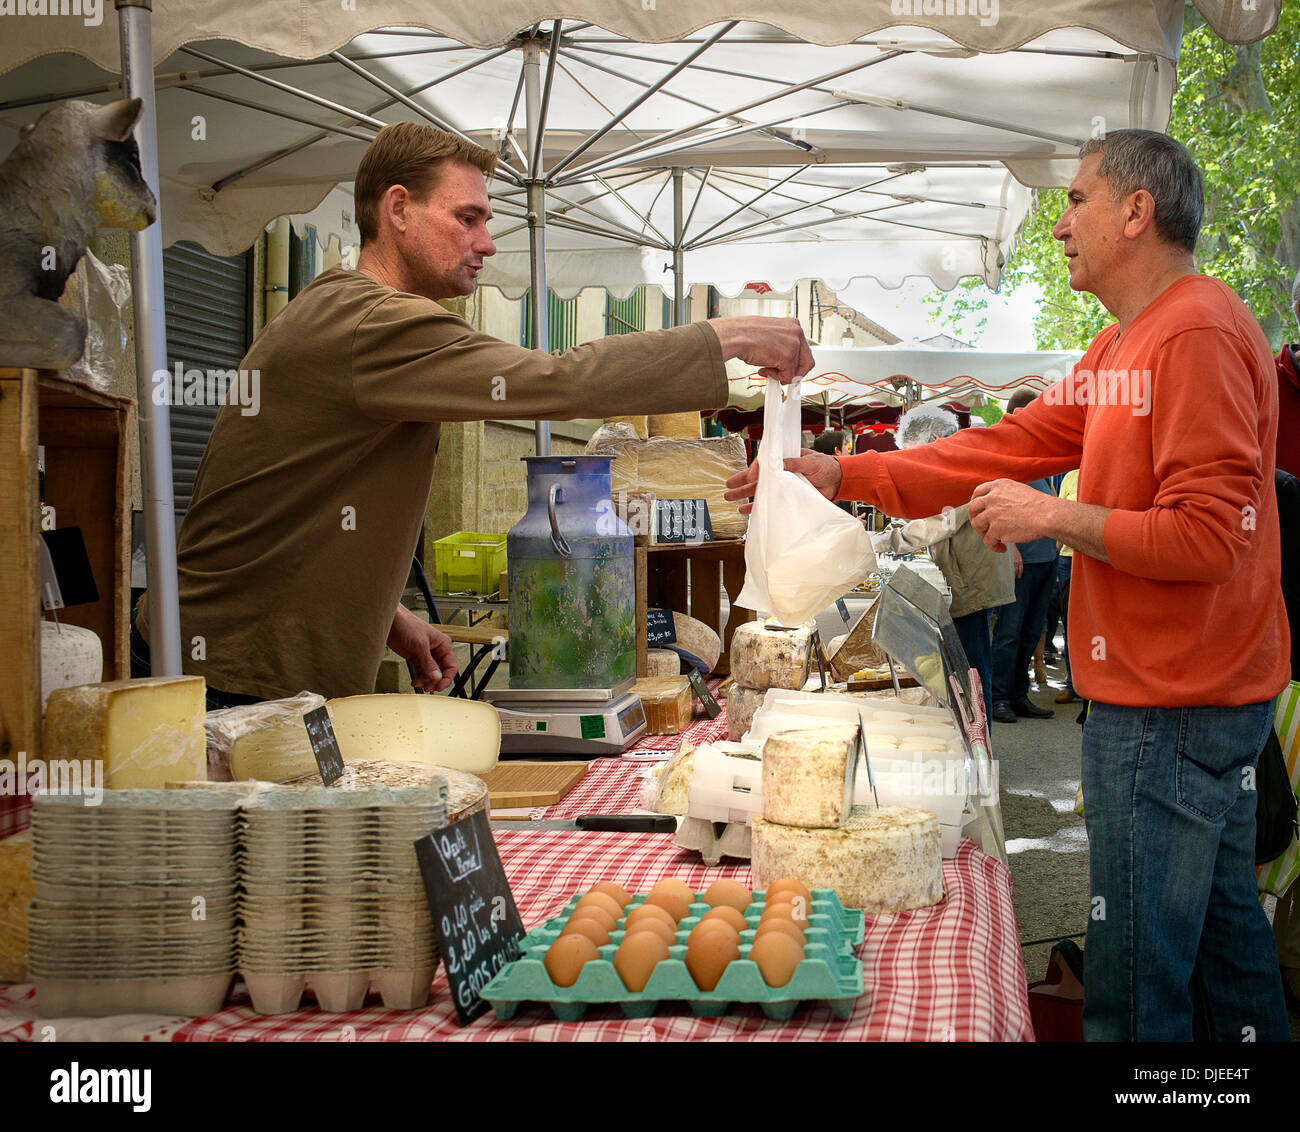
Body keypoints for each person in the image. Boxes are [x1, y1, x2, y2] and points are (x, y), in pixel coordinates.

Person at [727, 128, 1291, 1041]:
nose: (1061, 224)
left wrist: (1054, 517)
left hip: (1171, 703)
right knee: (1226, 962)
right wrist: (844, 474)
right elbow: (1001, 446)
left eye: (1076, 200)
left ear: (1137, 211)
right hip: (1181, 700)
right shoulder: (1123, 346)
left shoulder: (1192, 332)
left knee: (1138, 980)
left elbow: (1209, 538)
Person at [133, 122, 813, 705]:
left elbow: (290, 505)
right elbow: (559, 380)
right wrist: (728, 337)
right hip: (228, 680)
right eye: (468, 218)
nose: (486, 243)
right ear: (398, 209)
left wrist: (384, 613)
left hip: (233, 663)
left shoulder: (348, 310)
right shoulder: (373, 321)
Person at [869, 405, 1014, 721]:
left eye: (915, 454)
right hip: (966, 575)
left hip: (973, 580)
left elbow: (939, 523)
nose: (915, 464)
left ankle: (980, 752)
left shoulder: (965, 464)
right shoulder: (959, 459)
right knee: (968, 668)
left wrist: (879, 542)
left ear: (934, 439)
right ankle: (976, 742)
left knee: (972, 673)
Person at [986, 388, 1058, 723]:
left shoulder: (1037, 453)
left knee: (1031, 632)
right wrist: (1011, 547)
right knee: (1011, 632)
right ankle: (1000, 696)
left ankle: (1018, 693)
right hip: (1022, 559)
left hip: (1044, 558)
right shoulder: (1008, 453)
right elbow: (999, 503)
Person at [1053, 468, 1081, 704]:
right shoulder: (1069, 476)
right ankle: (1073, 683)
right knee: (1071, 624)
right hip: (1068, 558)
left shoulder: (1103, 471)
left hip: (1094, 560)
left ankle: (1092, 684)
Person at [813, 430, 858, 518]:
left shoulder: (821, 476)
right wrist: (855, 523)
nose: (848, 448)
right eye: (845, 444)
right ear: (837, 451)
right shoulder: (835, 479)